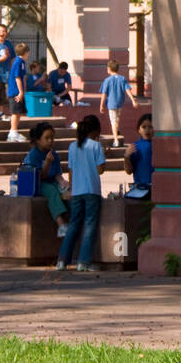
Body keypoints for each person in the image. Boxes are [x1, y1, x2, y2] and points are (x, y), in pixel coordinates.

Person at [57, 114, 106, 272]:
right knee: (90, 225)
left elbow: (70, 171)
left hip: (77, 190)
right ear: (96, 131)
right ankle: (83, 261)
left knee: (74, 225)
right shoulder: (96, 146)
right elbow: (100, 170)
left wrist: (72, 187)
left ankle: (62, 260)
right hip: (92, 190)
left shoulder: (73, 146)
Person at [22, 122, 69, 239]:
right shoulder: (33, 156)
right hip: (37, 183)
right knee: (52, 191)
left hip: (52, 181)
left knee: (66, 191)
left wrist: (63, 183)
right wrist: (47, 163)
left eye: (52, 138)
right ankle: (61, 224)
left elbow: (58, 174)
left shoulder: (54, 154)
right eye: (46, 138)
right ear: (38, 140)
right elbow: (40, 177)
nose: (50, 141)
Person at [100, 59, 135, 146]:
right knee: (116, 119)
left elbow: (104, 94)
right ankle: (117, 130)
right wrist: (133, 101)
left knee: (113, 121)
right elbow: (128, 90)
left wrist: (101, 105)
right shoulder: (122, 78)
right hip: (120, 103)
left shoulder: (107, 80)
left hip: (111, 104)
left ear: (109, 69)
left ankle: (116, 140)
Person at [6, 42, 30, 143]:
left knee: (19, 112)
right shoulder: (18, 62)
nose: (29, 54)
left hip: (18, 91)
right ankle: (13, 133)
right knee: (15, 113)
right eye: (28, 52)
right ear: (25, 52)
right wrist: (20, 92)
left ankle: (14, 131)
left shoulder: (22, 62)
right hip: (15, 92)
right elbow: (17, 78)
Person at [124, 113, 154, 191]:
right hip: (141, 188)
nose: (147, 130)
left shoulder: (161, 145)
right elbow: (128, 171)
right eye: (144, 127)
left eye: (150, 127)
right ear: (139, 130)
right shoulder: (135, 147)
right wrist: (126, 157)